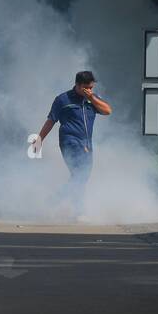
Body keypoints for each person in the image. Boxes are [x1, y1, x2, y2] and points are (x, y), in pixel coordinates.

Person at [33, 70, 112, 218]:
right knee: (80, 174)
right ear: (77, 85)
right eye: (86, 87)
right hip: (69, 141)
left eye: (91, 88)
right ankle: (71, 207)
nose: (89, 90)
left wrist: (92, 98)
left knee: (81, 176)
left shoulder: (93, 99)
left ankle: (66, 204)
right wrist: (39, 139)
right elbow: (51, 121)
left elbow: (108, 111)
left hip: (87, 143)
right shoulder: (62, 100)